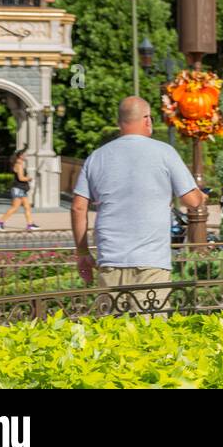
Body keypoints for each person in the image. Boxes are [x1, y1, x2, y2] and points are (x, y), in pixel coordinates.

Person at [71, 97, 207, 304]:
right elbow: (192, 201)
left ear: (119, 122)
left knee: (112, 332)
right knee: (150, 330)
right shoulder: (165, 152)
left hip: (110, 260)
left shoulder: (96, 157)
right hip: (152, 262)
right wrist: (201, 195)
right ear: (147, 120)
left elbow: (78, 208)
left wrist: (82, 252)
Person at [0, 149, 39, 231]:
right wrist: (29, 178)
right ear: (20, 156)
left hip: (21, 189)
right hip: (18, 189)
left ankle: (30, 224)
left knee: (27, 207)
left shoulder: (19, 163)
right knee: (15, 207)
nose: (26, 156)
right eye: (25, 154)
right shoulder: (19, 165)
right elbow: (21, 178)